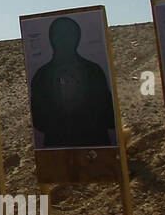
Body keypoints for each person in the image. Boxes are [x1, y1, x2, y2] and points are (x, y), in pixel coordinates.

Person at [28, 16, 117, 148]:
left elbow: (109, 117)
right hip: (60, 149)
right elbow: (39, 122)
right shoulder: (42, 75)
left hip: (93, 147)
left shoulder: (93, 71)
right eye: (60, 36)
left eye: (68, 36)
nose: (64, 41)